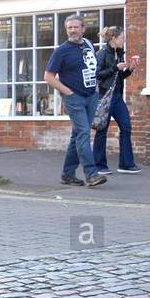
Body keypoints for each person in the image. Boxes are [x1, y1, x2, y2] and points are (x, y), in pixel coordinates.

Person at [44, 14, 106, 187]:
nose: (72, 30)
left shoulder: (88, 44)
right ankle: (91, 174)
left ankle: (68, 174)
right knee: (84, 133)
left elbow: (92, 68)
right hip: (74, 98)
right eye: (69, 28)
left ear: (83, 29)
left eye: (76, 27)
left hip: (91, 96)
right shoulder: (61, 51)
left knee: (77, 135)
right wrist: (68, 92)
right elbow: (48, 76)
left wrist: (95, 88)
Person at [92, 26, 141, 175]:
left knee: (126, 127)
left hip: (117, 96)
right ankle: (99, 166)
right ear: (113, 38)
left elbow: (119, 76)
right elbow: (97, 75)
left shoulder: (119, 53)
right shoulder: (102, 54)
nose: (124, 40)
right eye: (122, 38)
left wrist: (130, 69)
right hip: (105, 96)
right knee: (102, 130)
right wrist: (115, 67)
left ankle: (126, 164)